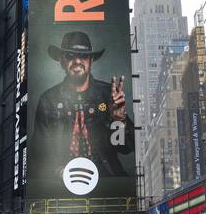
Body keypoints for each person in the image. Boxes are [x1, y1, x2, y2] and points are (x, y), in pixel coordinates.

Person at [30, 32, 135, 179]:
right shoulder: (48, 100)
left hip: (107, 181)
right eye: (70, 56)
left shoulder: (108, 95)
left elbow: (126, 148)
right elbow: (39, 153)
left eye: (83, 56)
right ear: (62, 61)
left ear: (91, 61)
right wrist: (61, 174)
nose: (77, 61)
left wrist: (119, 120)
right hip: (62, 185)